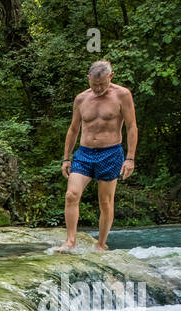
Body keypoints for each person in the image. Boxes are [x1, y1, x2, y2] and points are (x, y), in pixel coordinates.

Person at [59, 60, 138, 251]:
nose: (98, 89)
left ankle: (101, 244)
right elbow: (73, 129)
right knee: (71, 195)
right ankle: (70, 242)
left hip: (111, 153)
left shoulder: (122, 95)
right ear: (88, 79)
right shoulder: (81, 99)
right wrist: (66, 158)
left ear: (110, 77)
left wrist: (130, 158)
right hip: (84, 153)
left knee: (105, 201)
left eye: (102, 84)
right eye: (94, 85)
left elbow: (131, 126)